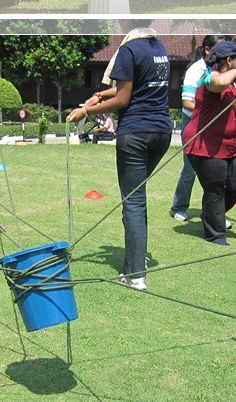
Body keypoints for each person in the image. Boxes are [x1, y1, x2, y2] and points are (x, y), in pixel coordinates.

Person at [67, 28, 171, 290]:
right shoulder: (159, 49)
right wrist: (101, 95)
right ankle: (138, 255)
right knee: (138, 197)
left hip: (136, 133)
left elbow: (124, 98)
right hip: (162, 132)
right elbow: (133, 89)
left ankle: (136, 274)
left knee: (133, 202)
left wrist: (86, 111)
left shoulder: (128, 50)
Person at [182, 40, 236, 246]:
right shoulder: (210, 77)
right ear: (228, 61)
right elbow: (218, 84)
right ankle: (215, 234)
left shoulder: (229, 83)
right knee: (215, 187)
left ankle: (212, 215)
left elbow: (231, 97)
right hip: (205, 144)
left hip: (229, 144)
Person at [169, 34, 226, 222]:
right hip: (194, 124)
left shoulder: (222, 69)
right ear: (207, 50)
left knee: (217, 170)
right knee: (191, 168)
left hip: (214, 126)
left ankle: (214, 213)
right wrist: (209, 112)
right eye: (220, 49)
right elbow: (186, 102)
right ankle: (179, 206)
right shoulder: (196, 70)